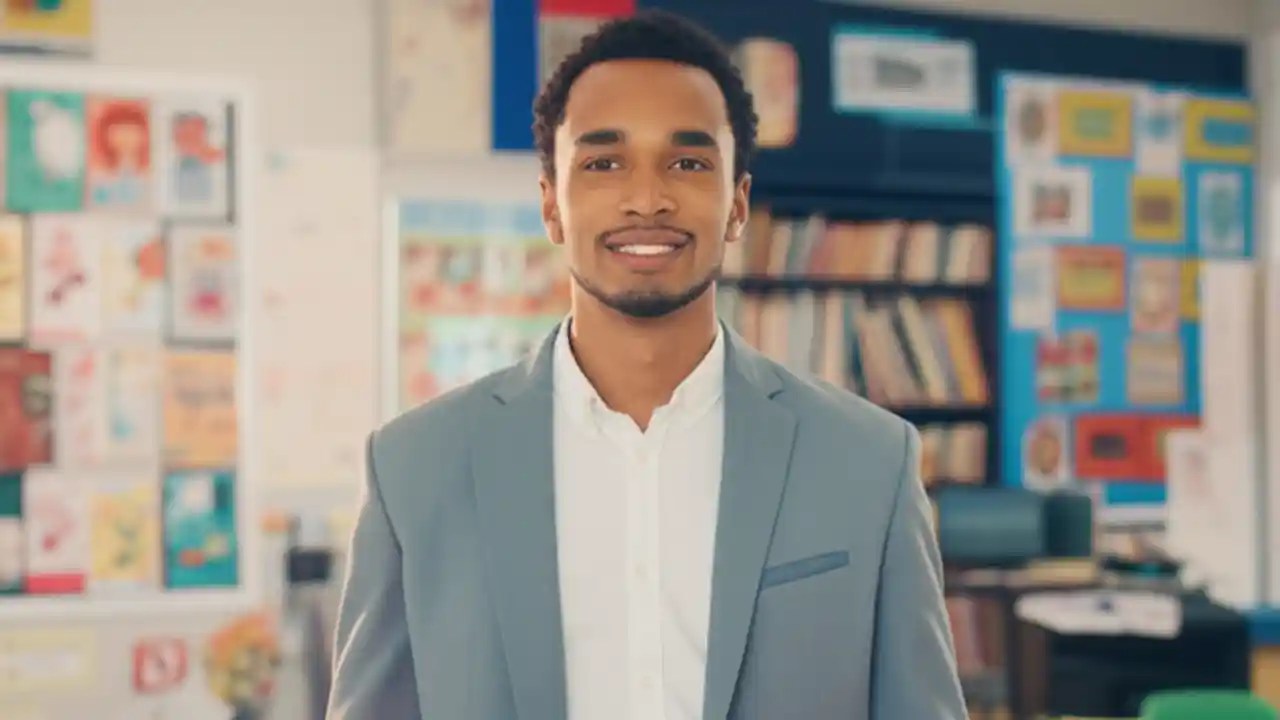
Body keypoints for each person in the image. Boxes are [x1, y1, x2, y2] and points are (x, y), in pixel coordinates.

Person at [327, 10, 965, 720]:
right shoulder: (415, 468)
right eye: (603, 162)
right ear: (551, 206)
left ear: (737, 204)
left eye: (688, 162)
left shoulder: (869, 462)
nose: (647, 197)